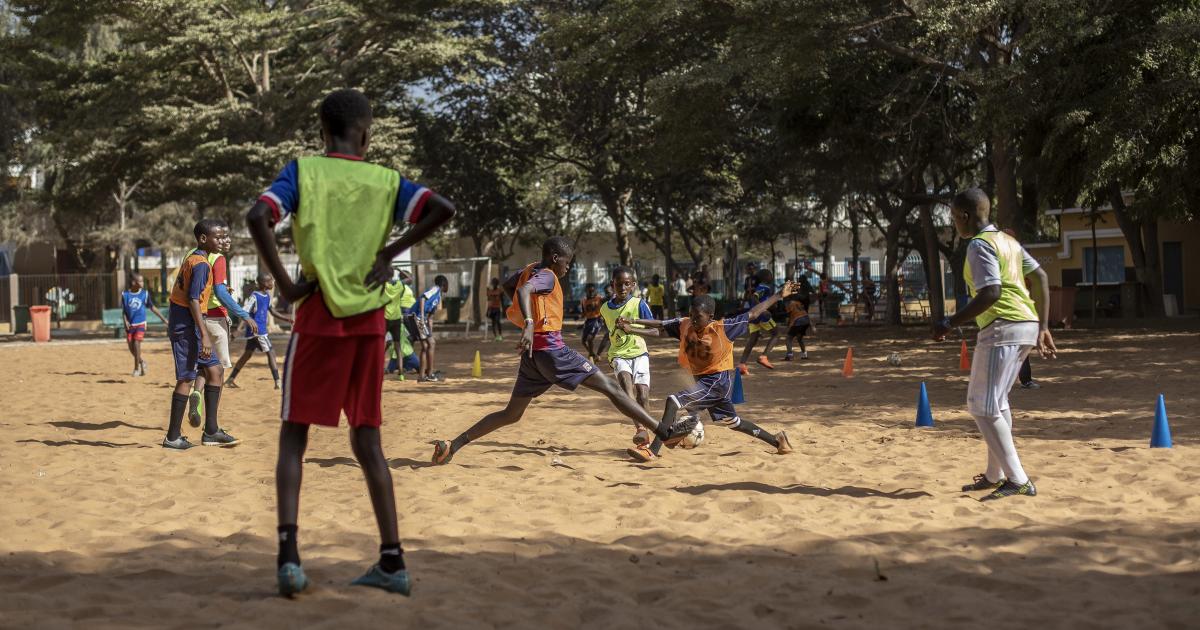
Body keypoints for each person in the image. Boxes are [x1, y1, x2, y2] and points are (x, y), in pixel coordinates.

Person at [247, 88, 456, 596]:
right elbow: (441, 208)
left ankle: (290, 558)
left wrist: (289, 286)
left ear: (322, 133)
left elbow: (259, 216)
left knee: (294, 436)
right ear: (366, 133)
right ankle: (393, 561)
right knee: (368, 442)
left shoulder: (303, 172)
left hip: (318, 315)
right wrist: (392, 249)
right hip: (369, 321)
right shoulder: (387, 181)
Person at [430, 236, 696, 466]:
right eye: (566, 263)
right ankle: (664, 432)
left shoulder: (530, 269)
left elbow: (512, 286)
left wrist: (527, 320)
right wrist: (530, 322)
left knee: (511, 414)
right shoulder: (545, 275)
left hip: (533, 357)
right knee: (611, 387)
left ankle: (452, 446)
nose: (567, 268)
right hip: (552, 350)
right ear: (555, 258)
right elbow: (523, 290)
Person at [933, 188, 1056, 502]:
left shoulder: (978, 245)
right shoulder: (1007, 241)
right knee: (996, 402)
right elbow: (1040, 276)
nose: (953, 224)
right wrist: (1042, 327)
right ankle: (995, 474)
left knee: (980, 405)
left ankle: (1018, 479)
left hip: (1003, 326)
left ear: (965, 216)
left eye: (953, 217)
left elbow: (991, 292)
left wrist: (950, 322)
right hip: (1025, 324)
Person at [616, 285, 798, 461]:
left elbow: (753, 313)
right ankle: (777, 440)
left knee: (673, 401)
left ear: (710, 316)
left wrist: (778, 295)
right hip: (705, 382)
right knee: (733, 422)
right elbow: (661, 325)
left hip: (716, 382)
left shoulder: (722, 328)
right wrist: (632, 324)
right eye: (691, 315)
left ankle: (654, 450)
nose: (693, 320)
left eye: (698, 317)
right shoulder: (685, 324)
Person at [163, 219, 238, 449]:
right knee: (186, 378)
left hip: (193, 326)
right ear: (204, 239)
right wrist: (204, 334)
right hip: (187, 328)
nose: (222, 240)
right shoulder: (201, 264)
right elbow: (193, 300)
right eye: (217, 236)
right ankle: (172, 437)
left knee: (215, 371)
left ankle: (211, 431)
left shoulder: (196, 258)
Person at [188, 222, 259, 428]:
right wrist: (244, 315)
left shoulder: (194, 254)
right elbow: (218, 292)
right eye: (221, 237)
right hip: (216, 319)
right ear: (208, 237)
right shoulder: (218, 258)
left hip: (197, 318)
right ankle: (213, 425)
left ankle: (195, 393)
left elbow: (199, 287)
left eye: (227, 237)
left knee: (205, 365)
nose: (224, 240)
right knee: (218, 373)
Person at [599, 267, 662, 460]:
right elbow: (609, 332)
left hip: (640, 353)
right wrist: (599, 351)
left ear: (633, 285)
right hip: (618, 354)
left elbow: (656, 331)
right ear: (612, 285)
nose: (623, 287)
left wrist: (631, 329)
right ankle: (641, 430)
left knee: (642, 395)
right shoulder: (604, 309)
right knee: (626, 385)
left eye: (627, 283)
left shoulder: (639, 304)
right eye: (619, 284)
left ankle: (647, 438)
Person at [226, 274, 292, 390]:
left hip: (257, 331)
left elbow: (272, 311)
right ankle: (277, 381)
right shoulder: (254, 296)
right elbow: (244, 313)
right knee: (271, 353)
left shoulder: (266, 296)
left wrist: (285, 319)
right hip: (258, 331)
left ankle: (230, 379)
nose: (272, 283)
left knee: (247, 355)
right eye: (269, 281)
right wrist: (238, 330)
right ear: (263, 284)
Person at [737, 269, 783, 373]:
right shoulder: (765, 287)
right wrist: (763, 309)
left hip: (753, 315)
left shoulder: (762, 287)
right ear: (766, 277)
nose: (772, 276)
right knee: (776, 334)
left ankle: (742, 364)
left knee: (753, 339)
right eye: (770, 274)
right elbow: (754, 297)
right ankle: (764, 356)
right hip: (761, 314)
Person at [121, 272, 167, 376]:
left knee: (137, 343)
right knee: (131, 348)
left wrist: (164, 319)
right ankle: (142, 362)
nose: (142, 283)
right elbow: (124, 311)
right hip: (130, 325)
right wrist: (125, 321)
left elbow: (152, 307)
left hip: (141, 323)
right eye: (140, 281)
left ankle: (136, 369)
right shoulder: (125, 295)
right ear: (134, 282)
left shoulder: (144, 294)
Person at [406, 275, 448, 382]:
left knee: (426, 345)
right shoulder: (435, 289)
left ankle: (421, 376)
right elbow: (423, 299)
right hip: (417, 317)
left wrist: (430, 333)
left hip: (416, 318)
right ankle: (430, 373)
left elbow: (431, 318)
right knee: (431, 344)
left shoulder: (438, 297)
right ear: (443, 284)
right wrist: (422, 316)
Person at [383, 270, 414, 361]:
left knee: (387, 343)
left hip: (388, 317)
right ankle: (400, 372)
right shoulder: (399, 285)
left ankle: (384, 365)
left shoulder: (385, 286)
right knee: (397, 345)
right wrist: (398, 269)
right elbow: (410, 279)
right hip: (398, 317)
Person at [783, 295, 815, 360]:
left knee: (788, 338)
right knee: (799, 338)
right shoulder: (798, 303)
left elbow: (789, 315)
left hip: (798, 320)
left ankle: (790, 355)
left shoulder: (789, 304)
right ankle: (804, 354)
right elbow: (805, 313)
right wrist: (812, 326)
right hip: (806, 320)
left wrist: (789, 325)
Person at [579, 283, 605, 363]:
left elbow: (605, 308)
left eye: (592, 291)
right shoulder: (584, 300)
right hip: (588, 321)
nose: (591, 292)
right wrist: (578, 316)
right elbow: (584, 313)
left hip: (597, 320)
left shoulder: (599, 298)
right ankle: (592, 354)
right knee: (583, 341)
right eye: (589, 291)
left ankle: (592, 356)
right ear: (586, 291)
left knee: (590, 338)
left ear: (595, 291)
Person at [486, 277, 504, 341]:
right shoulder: (489, 291)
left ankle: (500, 335)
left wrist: (504, 309)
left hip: (497, 308)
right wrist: (488, 310)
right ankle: (495, 336)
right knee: (493, 323)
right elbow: (488, 300)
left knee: (498, 321)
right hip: (491, 309)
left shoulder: (499, 291)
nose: (494, 284)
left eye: (495, 283)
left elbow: (502, 300)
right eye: (493, 283)